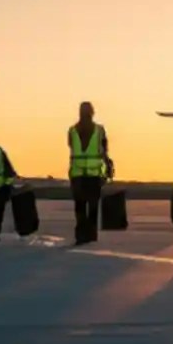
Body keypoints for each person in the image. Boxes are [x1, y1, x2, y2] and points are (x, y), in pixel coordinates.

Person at [68, 101, 111, 245]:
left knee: (80, 206)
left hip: (77, 174)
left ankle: (81, 235)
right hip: (93, 174)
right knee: (92, 206)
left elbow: (71, 146)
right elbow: (104, 150)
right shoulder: (99, 130)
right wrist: (108, 167)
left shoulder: (72, 130)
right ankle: (91, 234)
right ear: (92, 112)